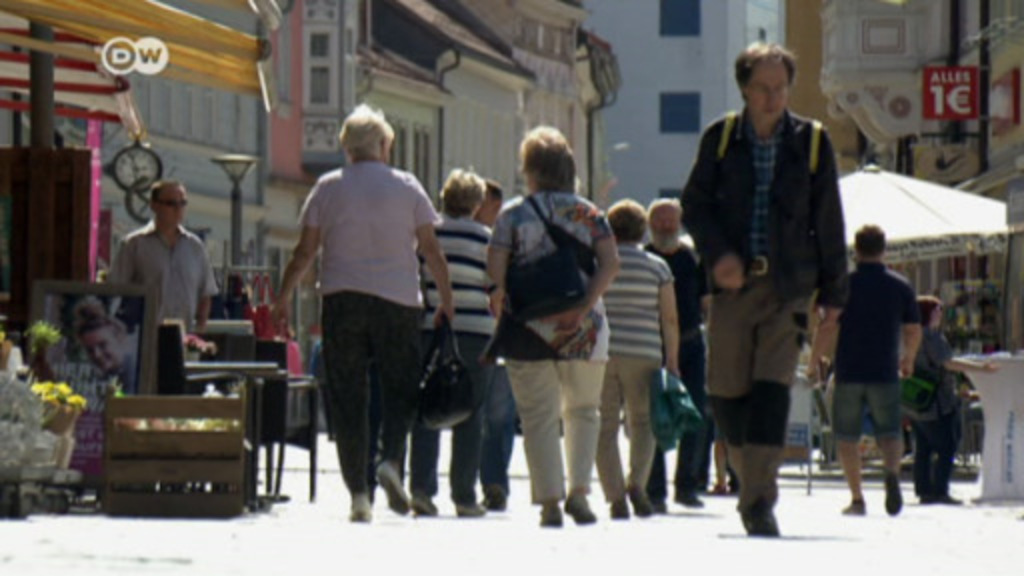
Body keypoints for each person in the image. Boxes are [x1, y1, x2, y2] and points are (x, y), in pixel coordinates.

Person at [681, 42, 848, 537]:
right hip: (733, 288)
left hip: (788, 286)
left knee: (773, 388)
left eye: (781, 88)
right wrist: (719, 256)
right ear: (745, 89)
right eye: (763, 88)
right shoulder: (721, 138)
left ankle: (758, 501)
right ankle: (749, 476)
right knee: (727, 393)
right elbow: (695, 204)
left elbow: (830, 221)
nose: (773, 97)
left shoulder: (813, 143)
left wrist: (834, 293)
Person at [271, 104, 454, 523]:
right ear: (385, 144)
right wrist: (446, 299)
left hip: (343, 299)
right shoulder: (408, 187)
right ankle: (391, 460)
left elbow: (304, 252)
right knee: (401, 388)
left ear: (346, 147)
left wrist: (282, 298)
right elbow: (431, 250)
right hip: (398, 301)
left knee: (348, 396)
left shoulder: (328, 187)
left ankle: (359, 494)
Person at [486, 126, 620, 528]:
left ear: (530, 169)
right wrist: (583, 305)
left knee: (538, 415)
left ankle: (549, 501)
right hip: (586, 327)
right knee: (583, 410)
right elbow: (611, 264)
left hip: (529, 326)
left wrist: (500, 302)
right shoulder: (590, 214)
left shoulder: (513, 214)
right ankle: (579, 492)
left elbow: (495, 271)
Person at [409, 169, 495, 519]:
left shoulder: (430, 235)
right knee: (471, 412)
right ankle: (464, 495)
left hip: (433, 327)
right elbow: (494, 286)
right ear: (476, 204)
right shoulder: (486, 238)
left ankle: (421, 489)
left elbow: (418, 276)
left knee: (428, 405)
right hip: (475, 330)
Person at [830, 225, 921, 517]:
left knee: (846, 437)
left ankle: (857, 498)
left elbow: (829, 324)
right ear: (884, 249)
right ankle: (891, 474)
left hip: (848, 370)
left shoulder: (844, 284)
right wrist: (908, 359)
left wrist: (817, 359)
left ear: (855, 250)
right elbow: (913, 329)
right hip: (884, 369)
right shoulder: (900, 285)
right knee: (890, 432)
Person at [596, 199, 678, 520]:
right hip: (644, 352)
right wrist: (672, 360)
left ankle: (615, 496)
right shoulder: (658, 266)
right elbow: (669, 318)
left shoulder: (600, 264)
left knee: (605, 426)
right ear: (643, 230)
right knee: (643, 423)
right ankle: (638, 485)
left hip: (604, 351)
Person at [644, 198, 709, 511]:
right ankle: (654, 490)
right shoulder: (645, 259)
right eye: (660, 221)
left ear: (680, 223)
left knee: (695, 414)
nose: (666, 227)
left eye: (671, 221)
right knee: (654, 416)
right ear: (649, 224)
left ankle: (687, 486)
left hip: (691, 344)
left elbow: (707, 303)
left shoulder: (693, 260)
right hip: (652, 346)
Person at [910, 295, 998, 505]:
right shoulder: (930, 337)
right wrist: (980, 369)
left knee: (923, 447)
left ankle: (924, 489)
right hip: (938, 401)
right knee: (948, 445)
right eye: (937, 310)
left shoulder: (910, 335)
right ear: (928, 313)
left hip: (917, 400)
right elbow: (948, 363)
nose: (941, 314)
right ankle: (940, 489)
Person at [108, 180, 217, 333]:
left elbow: (206, 293)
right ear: (154, 205)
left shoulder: (195, 246)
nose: (178, 209)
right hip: (144, 336)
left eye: (182, 203)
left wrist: (199, 330)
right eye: (171, 203)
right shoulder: (134, 244)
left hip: (183, 336)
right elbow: (114, 290)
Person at [475, 179, 518, 512]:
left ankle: (493, 483)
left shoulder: (500, 244)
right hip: (490, 334)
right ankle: (490, 481)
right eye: (491, 206)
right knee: (494, 417)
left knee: (498, 418)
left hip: (495, 336)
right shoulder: (490, 243)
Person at [72, 296, 137, 393]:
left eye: (103, 345)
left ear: (119, 337)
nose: (97, 354)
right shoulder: (104, 378)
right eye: (90, 350)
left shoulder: (135, 373)